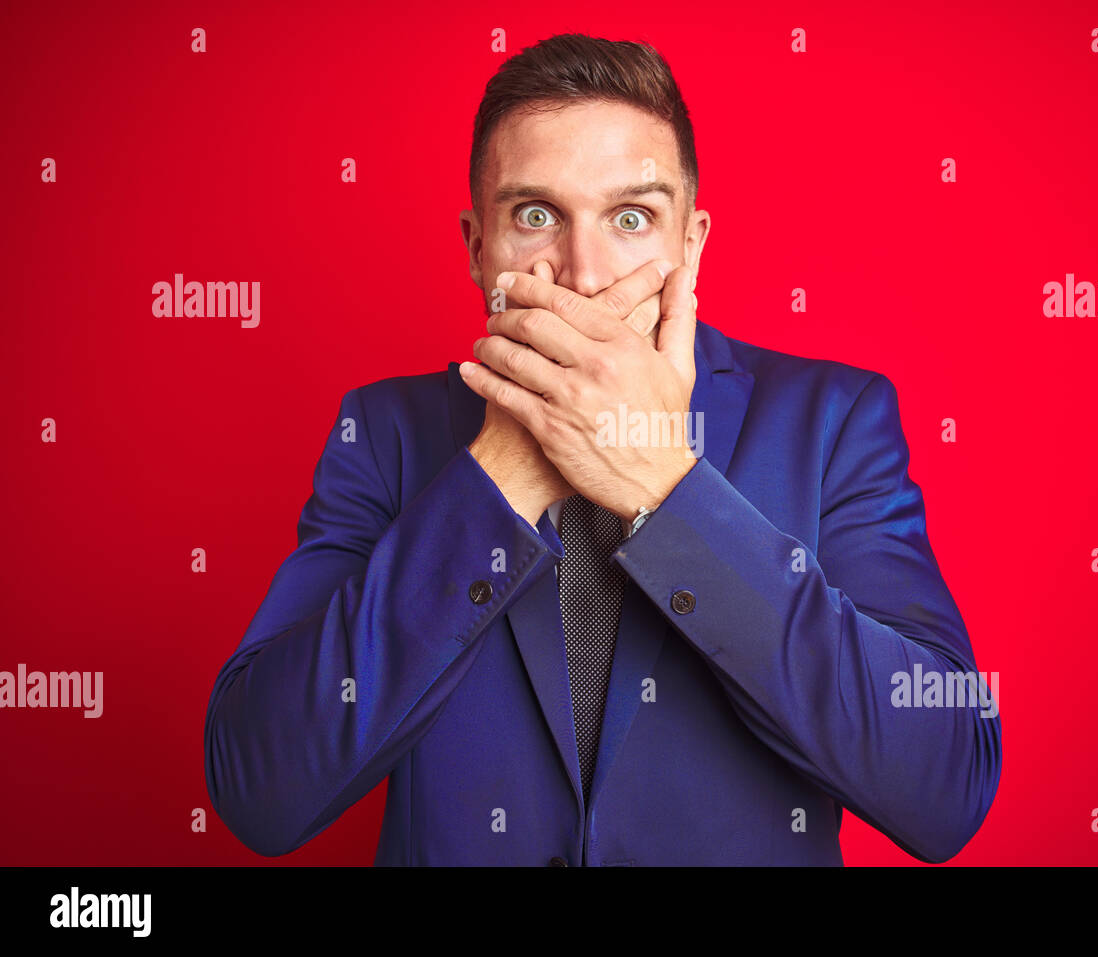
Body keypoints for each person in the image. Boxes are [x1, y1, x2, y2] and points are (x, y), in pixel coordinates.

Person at [203, 32, 1001, 866]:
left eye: (631, 218)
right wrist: (501, 476)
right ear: (479, 250)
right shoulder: (385, 435)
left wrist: (667, 486)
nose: (583, 275)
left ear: (689, 245)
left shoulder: (831, 422)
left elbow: (946, 786)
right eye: (537, 215)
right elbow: (261, 788)